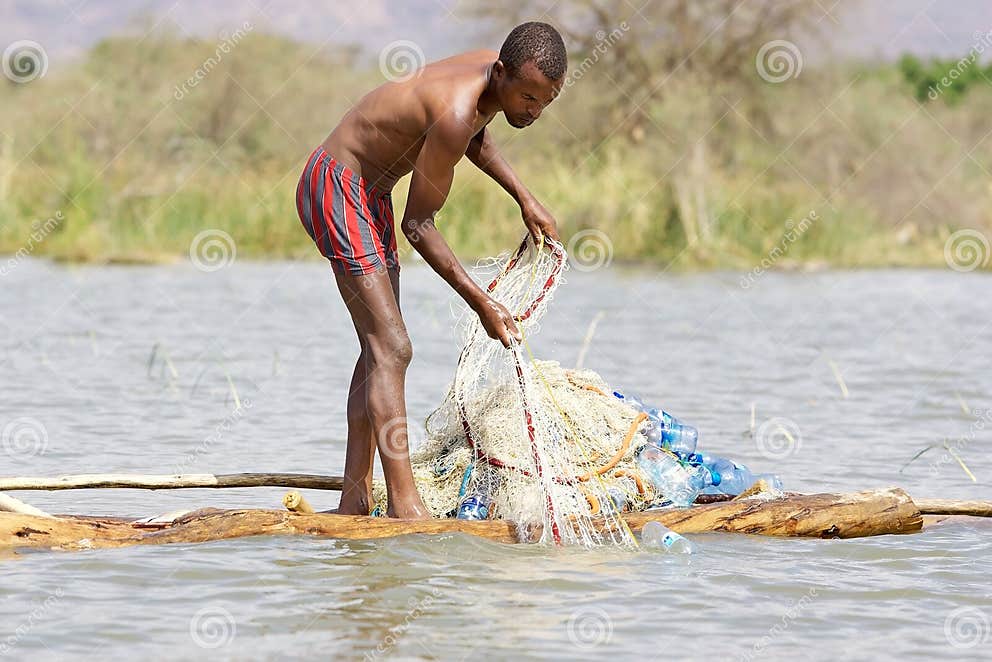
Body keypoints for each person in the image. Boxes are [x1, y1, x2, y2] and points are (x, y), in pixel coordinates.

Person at [294, 22, 567, 519]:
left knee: (379, 350)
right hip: (336, 186)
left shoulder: (488, 79)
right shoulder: (455, 108)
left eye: (545, 101)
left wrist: (524, 198)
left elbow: (473, 134)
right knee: (393, 347)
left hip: (369, 194)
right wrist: (482, 303)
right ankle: (406, 508)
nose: (533, 110)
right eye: (527, 97)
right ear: (501, 73)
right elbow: (418, 225)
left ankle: (354, 501)